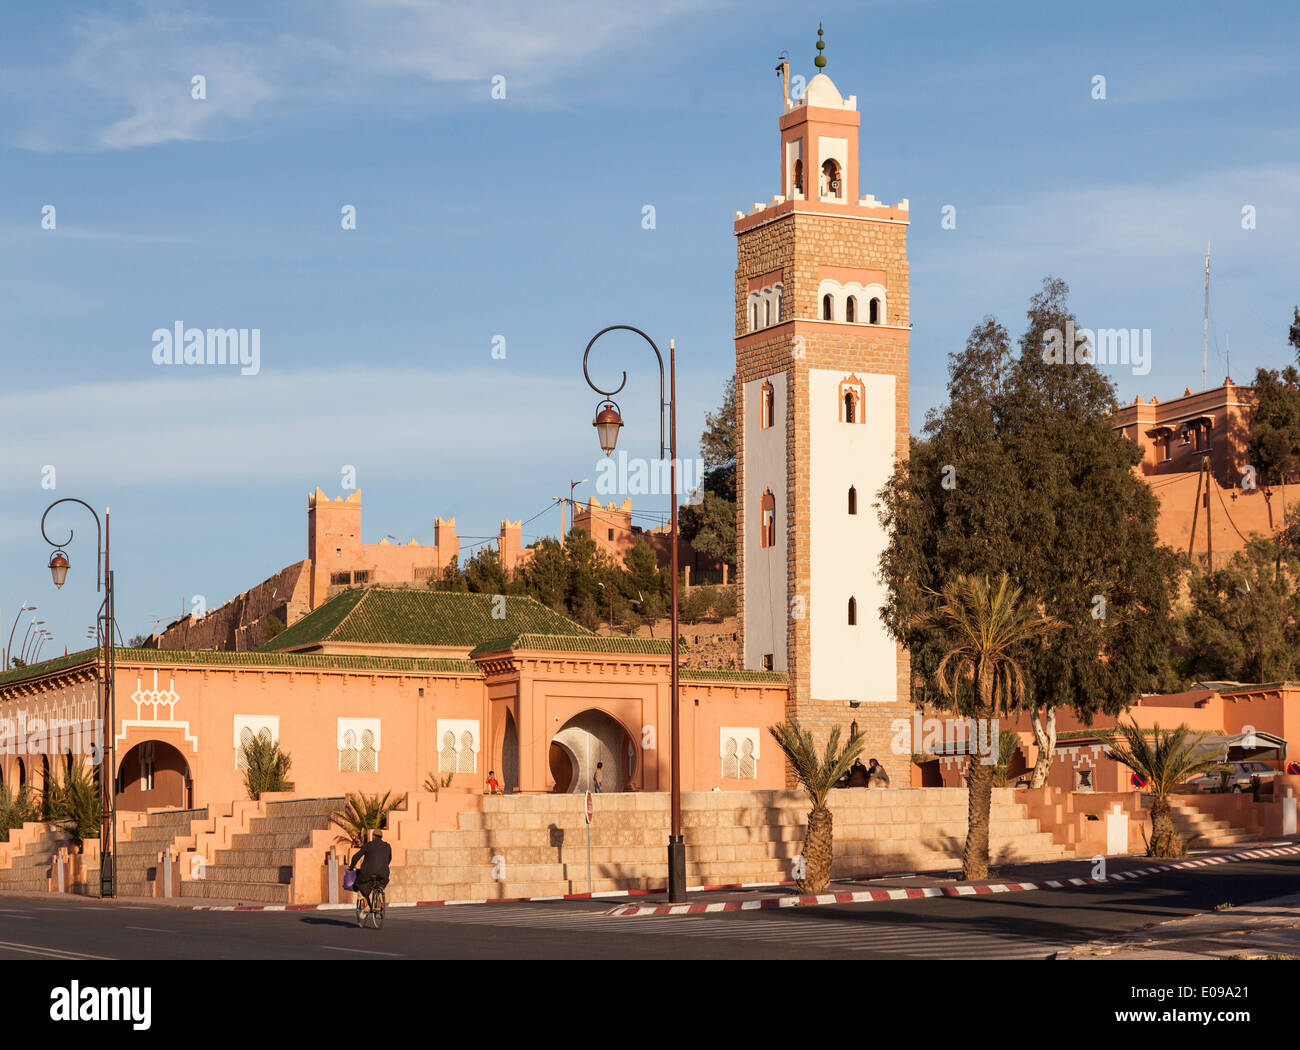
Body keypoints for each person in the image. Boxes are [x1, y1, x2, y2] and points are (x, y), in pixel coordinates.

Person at [349, 829, 392, 907]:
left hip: (368, 872)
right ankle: (378, 897)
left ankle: (367, 906)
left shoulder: (369, 845)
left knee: (360, 883)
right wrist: (383, 866)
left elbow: (356, 856)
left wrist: (351, 867)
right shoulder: (387, 846)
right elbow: (389, 859)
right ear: (381, 837)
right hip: (384, 873)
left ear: (373, 836)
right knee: (380, 884)